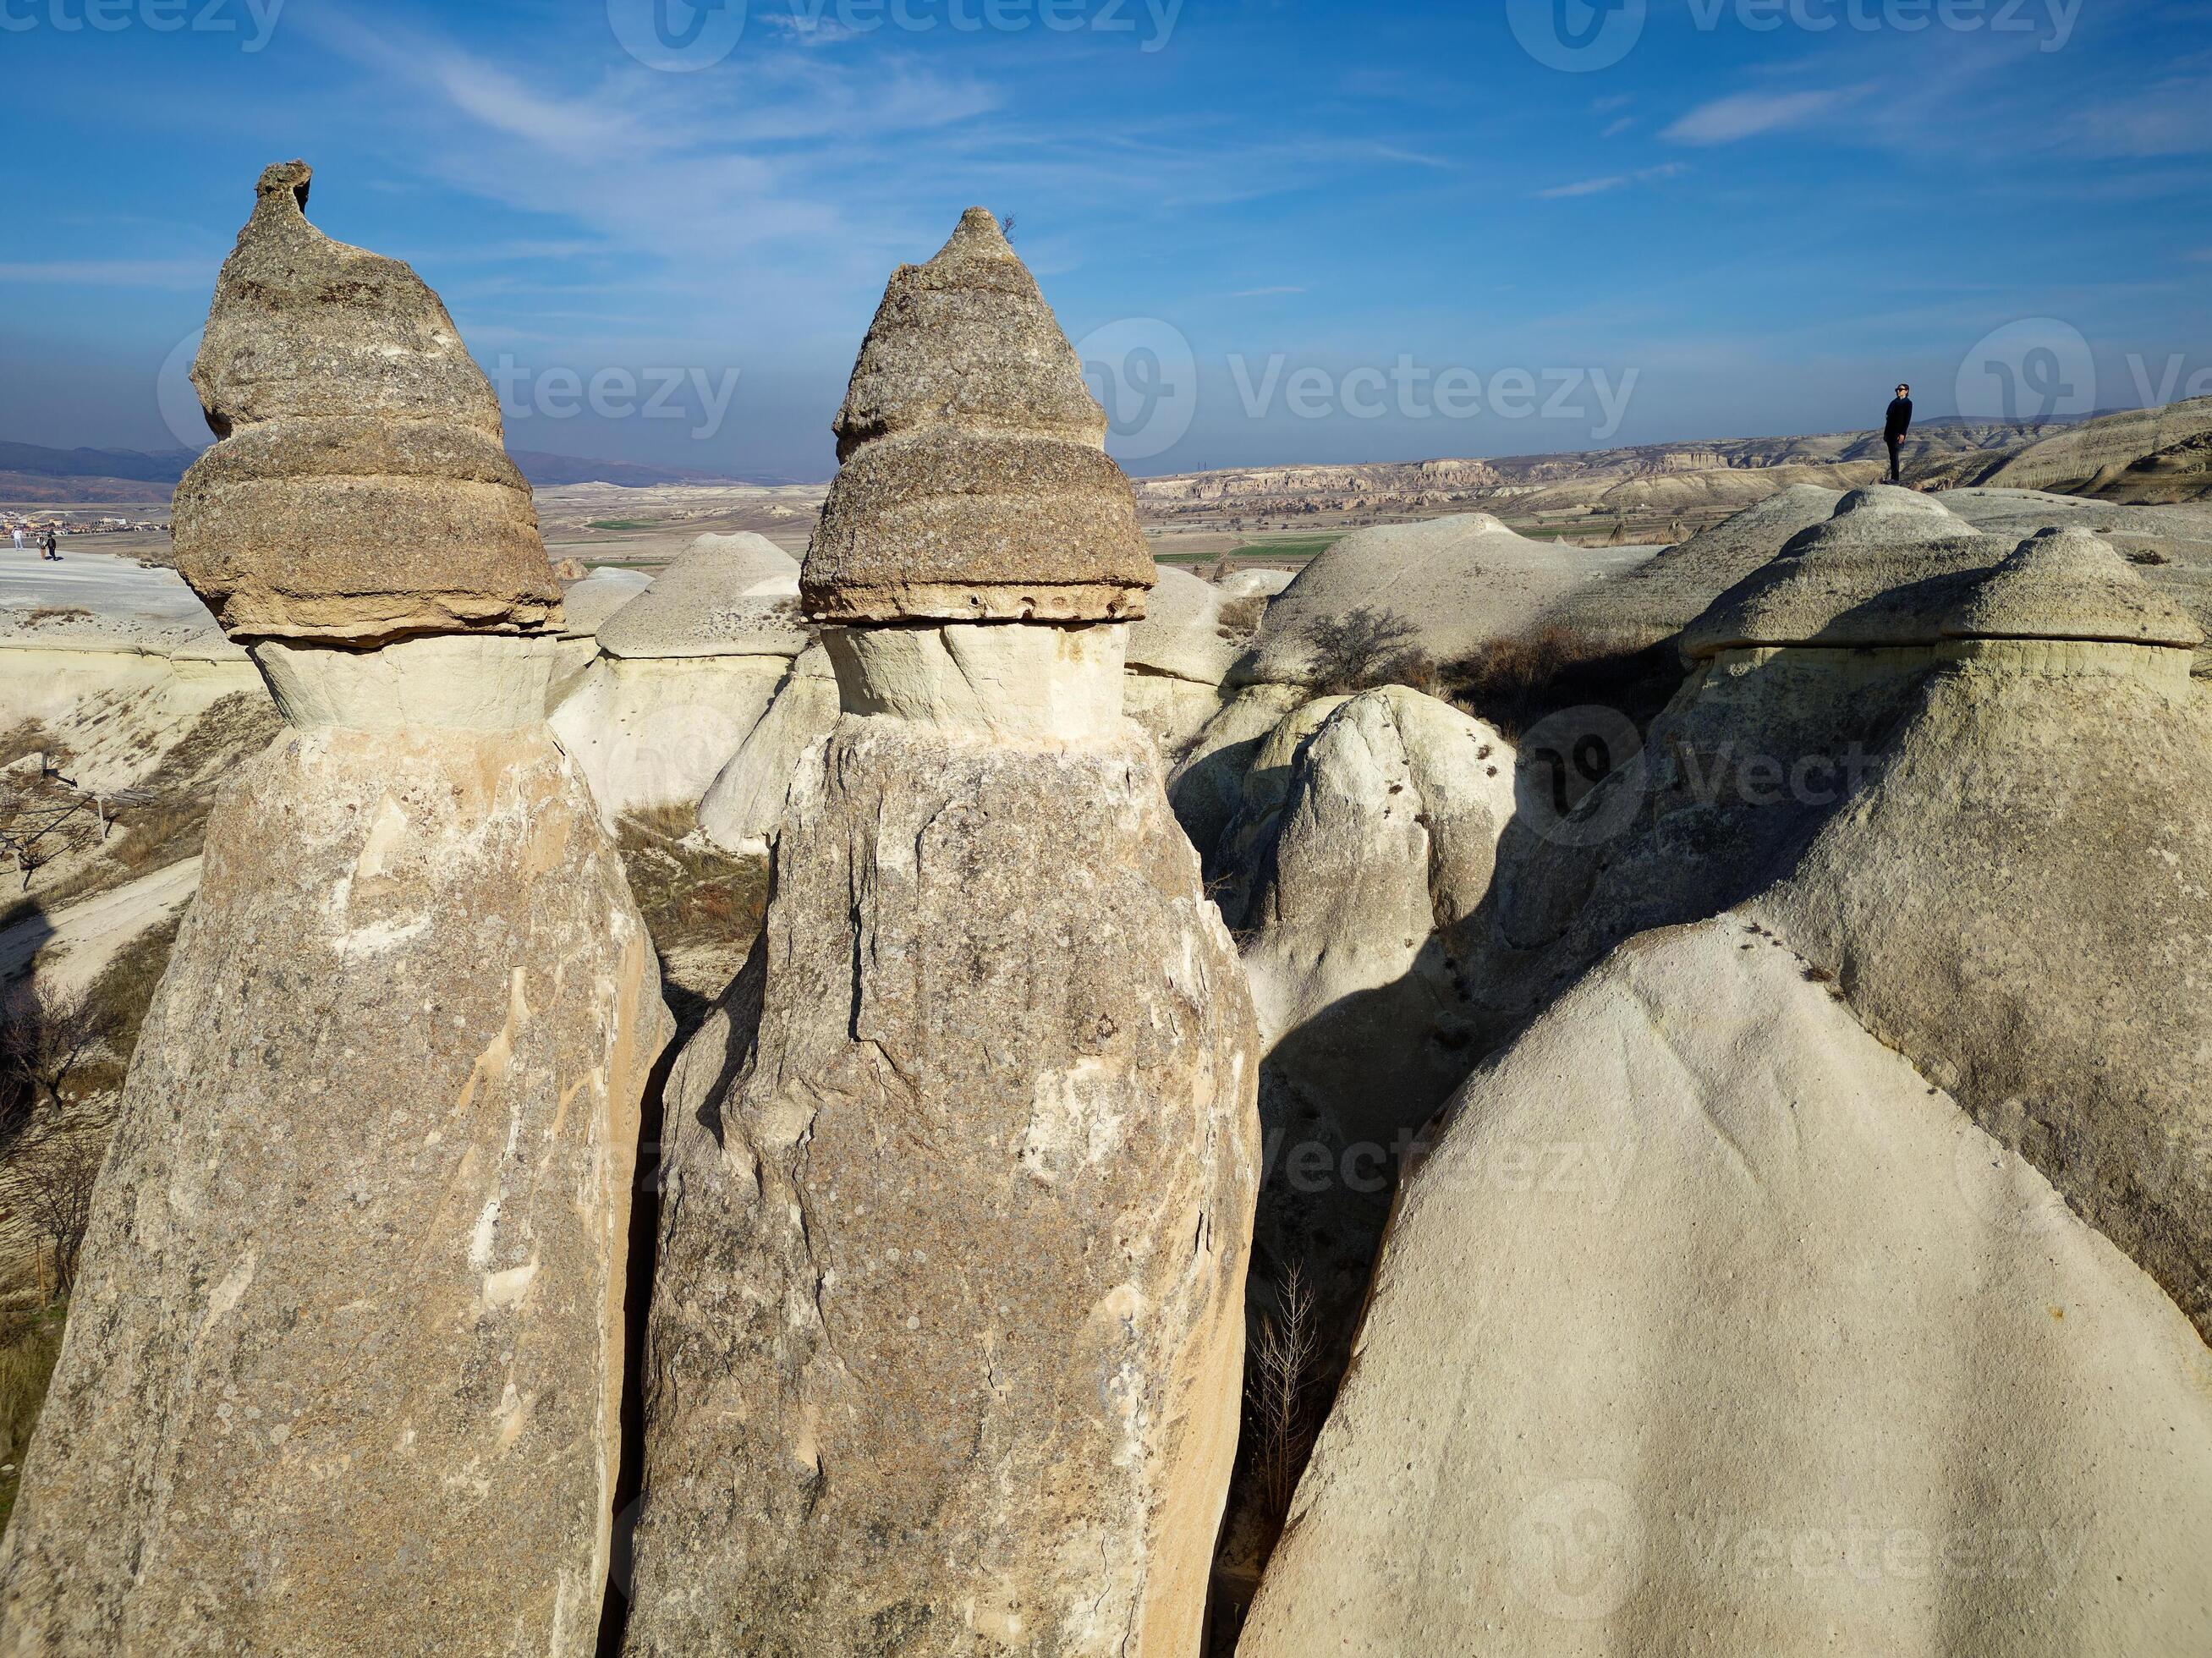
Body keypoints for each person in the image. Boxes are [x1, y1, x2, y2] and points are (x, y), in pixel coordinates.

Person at [1884, 382, 1913, 484]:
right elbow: (1888, 417)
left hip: (1898, 433)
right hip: (1890, 432)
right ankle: (1893, 478)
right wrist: (1886, 433)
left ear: (1906, 391)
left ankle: (1896, 479)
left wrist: (1902, 434)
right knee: (1892, 456)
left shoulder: (1908, 403)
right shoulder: (1893, 402)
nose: (1898, 391)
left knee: (1895, 455)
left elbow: (1907, 420)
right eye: (1897, 389)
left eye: (1900, 389)